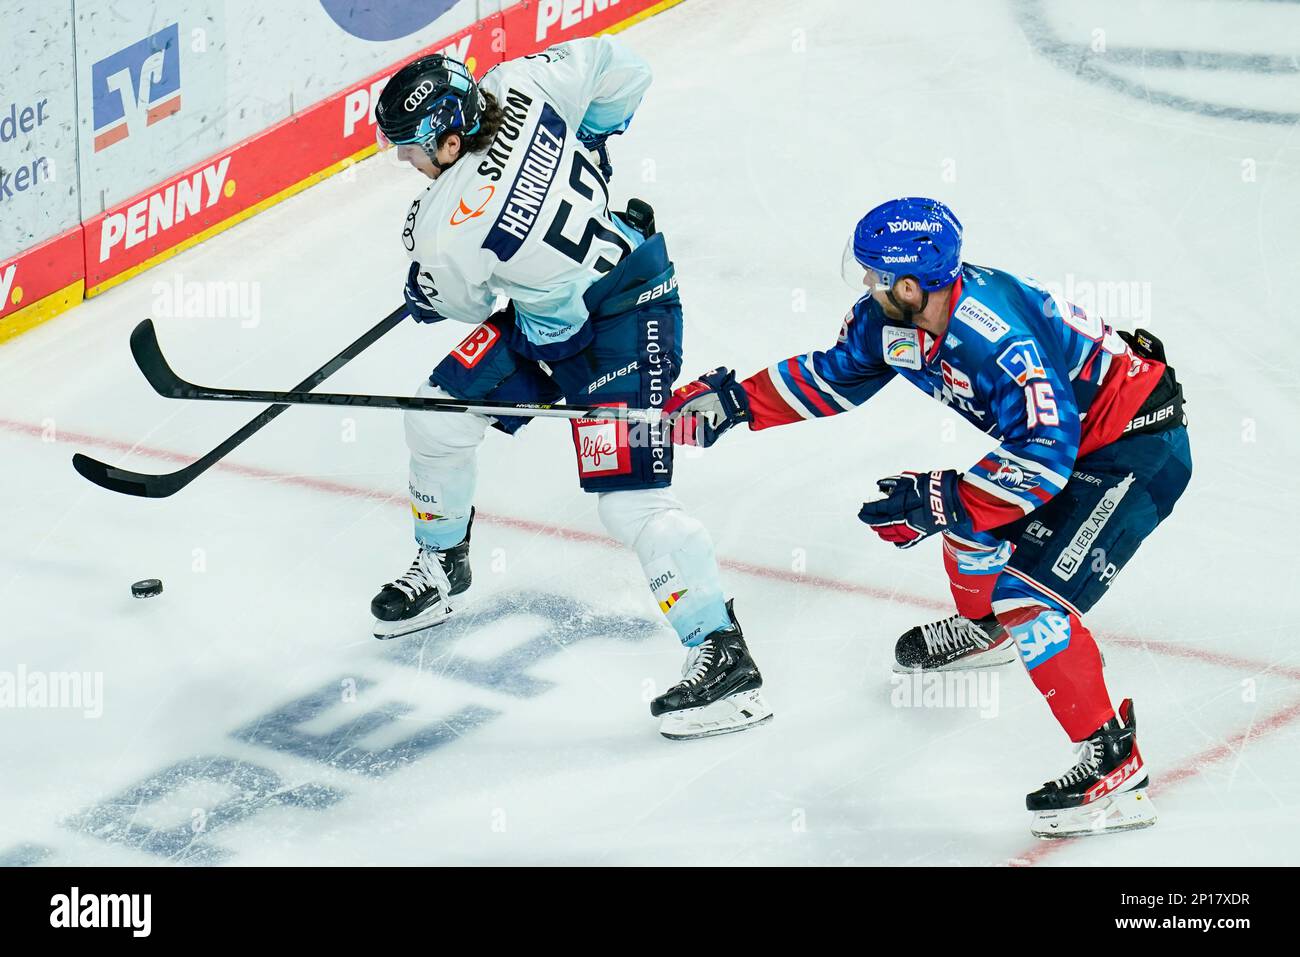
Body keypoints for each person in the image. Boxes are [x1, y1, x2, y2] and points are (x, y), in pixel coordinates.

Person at [665, 197, 1190, 835]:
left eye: (876, 274)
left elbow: (1045, 462)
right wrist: (736, 403)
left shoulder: (998, 341)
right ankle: (982, 631)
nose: (865, 284)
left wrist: (942, 498)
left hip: (1132, 445)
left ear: (911, 286)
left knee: (1029, 596)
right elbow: (835, 377)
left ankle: (1116, 764)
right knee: (971, 516)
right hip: (1069, 439)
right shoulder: (891, 320)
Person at [368, 39, 772, 740]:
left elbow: (460, 301)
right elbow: (630, 70)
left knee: (633, 504)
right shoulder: (523, 80)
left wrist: (424, 290)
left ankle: (726, 658)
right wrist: (586, 141)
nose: (406, 161)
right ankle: (443, 562)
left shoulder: (443, 227)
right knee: (436, 419)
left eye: (410, 148)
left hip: (629, 317)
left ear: (448, 135)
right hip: (550, 323)